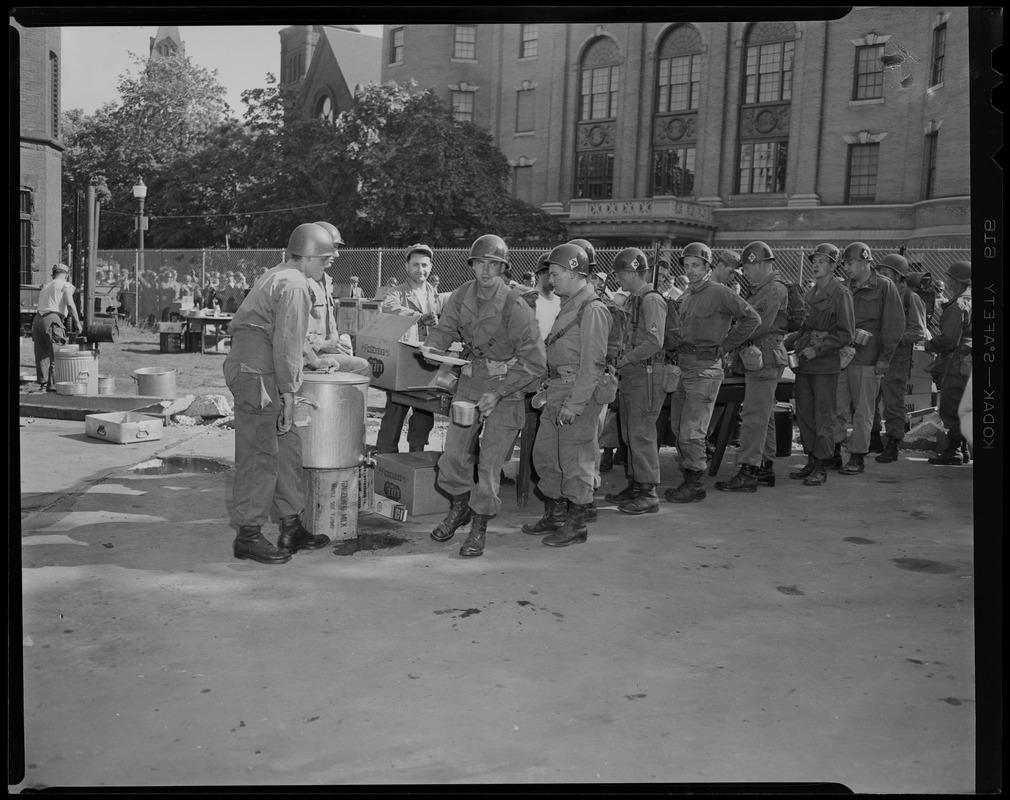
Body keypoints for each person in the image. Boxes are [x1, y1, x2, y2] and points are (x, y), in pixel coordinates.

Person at [424, 234, 547, 558]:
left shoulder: (515, 306)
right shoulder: (462, 293)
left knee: (489, 466)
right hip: (470, 380)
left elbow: (535, 362)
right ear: (473, 265)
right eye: (480, 264)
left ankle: (479, 525)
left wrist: (500, 391)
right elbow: (445, 329)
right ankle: (460, 507)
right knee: (451, 456)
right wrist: (432, 348)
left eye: (494, 265)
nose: (486, 272)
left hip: (507, 386)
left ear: (503, 268)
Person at [222, 223, 337, 564]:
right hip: (257, 371)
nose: (329, 264)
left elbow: (292, 338)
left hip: (264, 364)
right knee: (259, 453)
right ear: (311, 255)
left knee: (287, 446)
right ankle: (248, 536)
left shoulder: (283, 275)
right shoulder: (296, 285)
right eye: (326, 259)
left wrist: (312, 362)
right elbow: (286, 343)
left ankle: (291, 527)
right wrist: (289, 392)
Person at [522, 243, 612, 546]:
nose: (551, 279)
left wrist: (574, 405)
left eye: (556, 273)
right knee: (546, 456)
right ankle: (556, 513)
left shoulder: (592, 309)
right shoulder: (571, 303)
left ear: (574, 272)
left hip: (577, 394)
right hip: (558, 389)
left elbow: (593, 365)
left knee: (575, 460)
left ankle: (576, 524)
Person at [664, 242, 761, 503]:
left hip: (705, 368)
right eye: (686, 266)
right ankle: (691, 474)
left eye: (696, 265)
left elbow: (751, 318)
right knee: (678, 425)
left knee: (691, 430)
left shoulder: (720, 292)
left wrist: (727, 345)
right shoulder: (688, 296)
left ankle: (695, 483)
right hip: (684, 367)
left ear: (708, 267)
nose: (690, 270)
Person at [714, 241, 790, 492]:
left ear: (759, 263)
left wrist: (724, 345)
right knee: (763, 414)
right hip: (762, 355)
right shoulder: (762, 290)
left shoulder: (771, 291)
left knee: (753, 416)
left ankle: (748, 470)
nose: (745, 273)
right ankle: (764, 467)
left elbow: (754, 325)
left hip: (764, 356)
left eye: (747, 267)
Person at [603, 248, 669, 515]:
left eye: (620, 273)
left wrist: (624, 359)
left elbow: (655, 341)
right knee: (631, 434)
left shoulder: (651, 300)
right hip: (634, 374)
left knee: (641, 434)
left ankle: (648, 491)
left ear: (631, 272)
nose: (618, 278)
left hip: (647, 374)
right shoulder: (635, 299)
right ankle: (636, 483)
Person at [829, 243, 905, 475]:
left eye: (850, 264)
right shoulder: (844, 287)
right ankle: (833, 452)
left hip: (869, 359)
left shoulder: (884, 286)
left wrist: (885, 358)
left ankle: (857, 456)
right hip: (843, 357)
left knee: (863, 409)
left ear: (864, 261)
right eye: (845, 264)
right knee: (837, 406)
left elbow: (894, 325)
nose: (847, 269)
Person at [785, 243, 856, 486]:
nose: (816, 265)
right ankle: (812, 459)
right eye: (814, 261)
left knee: (823, 415)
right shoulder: (812, 292)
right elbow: (806, 325)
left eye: (822, 261)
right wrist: (788, 343)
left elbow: (846, 333)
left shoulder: (840, 293)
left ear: (834, 266)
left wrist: (817, 349)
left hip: (825, 363)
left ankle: (822, 464)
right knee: (804, 414)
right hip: (805, 363)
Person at [374, 243, 445, 454]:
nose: (420, 270)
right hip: (402, 361)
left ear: (430, 267)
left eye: (424, 265)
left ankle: (416, 456)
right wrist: (419, 317)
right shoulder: (397, 293)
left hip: (427, 362)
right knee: (395, 411)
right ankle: (385, 458)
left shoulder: (434, 294)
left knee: (424, 414)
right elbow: (389, 308)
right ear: (407, 267)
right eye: (415, 265)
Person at [873, 254, 928, 463]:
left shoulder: (910, 298)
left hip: (897, 359)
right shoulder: (883, 294)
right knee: (869, 398)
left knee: (893, 403)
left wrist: (891, 340)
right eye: (880, 273)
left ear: (898, 276)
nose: (881, 277)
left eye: (886, 274)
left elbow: (917, 331)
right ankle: (873, 438)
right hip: (876, 356)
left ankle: (893, 443)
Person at [302, 221, 371, 377]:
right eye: (333, 248)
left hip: (321, 351)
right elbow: (295, 333)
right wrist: (326, 345)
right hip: (307, 355)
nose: (336, 254)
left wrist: (338, 344)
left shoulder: (325, 280)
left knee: (358, 363)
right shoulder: (303, 281)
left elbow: (330, 325)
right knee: (362, 367)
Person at [925, 260, 972, 464]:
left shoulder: (958, 305)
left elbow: (949, 340)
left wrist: (930, 344)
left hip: (956, 364)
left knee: (951, 408)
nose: (947, 281)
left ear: (956, 281)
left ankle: (953, 452)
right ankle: (962, 450)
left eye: (950, 278)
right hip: (966, 363)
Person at [32, 263, 82, 391]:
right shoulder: (65, 285)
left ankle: (42, 385)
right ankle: (53, 385)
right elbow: (70, 305)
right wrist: (77, 322)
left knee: (42, 354)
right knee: (57, 354)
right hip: (52, 319)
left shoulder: (46, 286)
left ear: (52, 274)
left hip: (37, 320)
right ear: (67, 275)